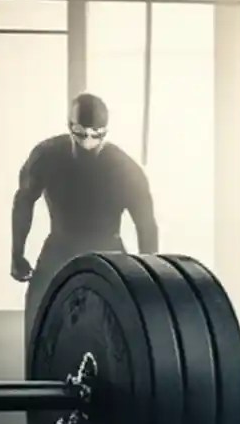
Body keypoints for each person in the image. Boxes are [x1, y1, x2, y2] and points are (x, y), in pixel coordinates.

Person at [11, 93, 159, 331]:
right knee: (39, 317)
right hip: (61, 249)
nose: (88, 141)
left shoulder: (126, 170)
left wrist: (148, 274)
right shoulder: (47, 155)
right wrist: (16, 253)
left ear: (105, 131)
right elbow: (23, 201)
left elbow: (146, 224)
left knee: (115, 327)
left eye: (96, 134)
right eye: (81, 133)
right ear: (70, 126)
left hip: (107, 253)